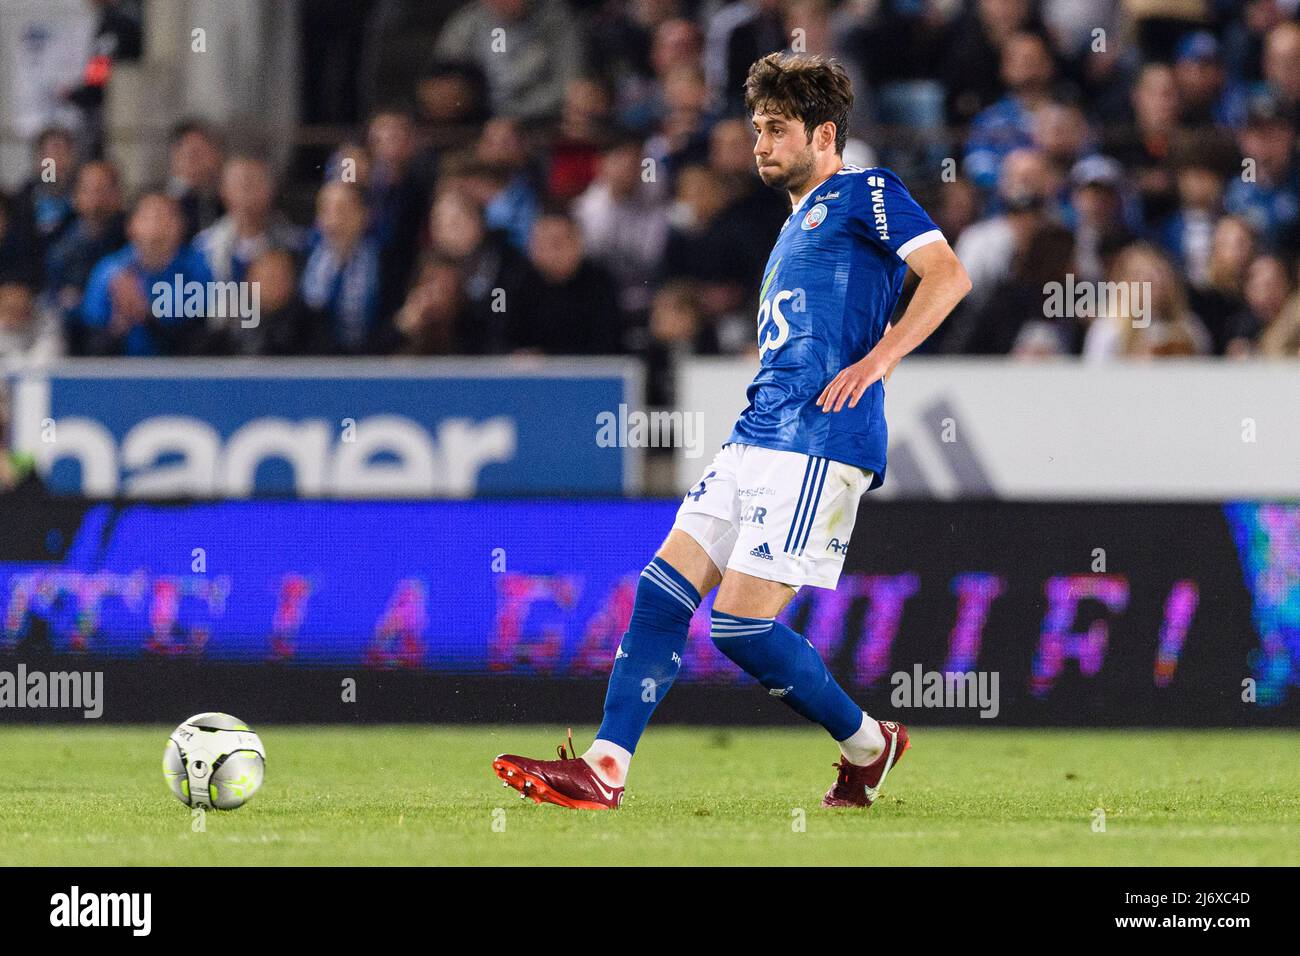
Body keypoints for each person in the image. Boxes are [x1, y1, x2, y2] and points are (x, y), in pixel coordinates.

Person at [492, 52, 971, 811]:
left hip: (820, 439)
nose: (759, 144)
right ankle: (606, 769)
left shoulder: (866, 190)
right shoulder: (792, 226)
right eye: (756, 128)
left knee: (742, 630)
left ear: (823, 133)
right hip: (756, 436)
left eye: (776, 129)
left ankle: (870, 746)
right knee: (658, 597)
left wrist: (881, 359)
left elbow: (947, 274)